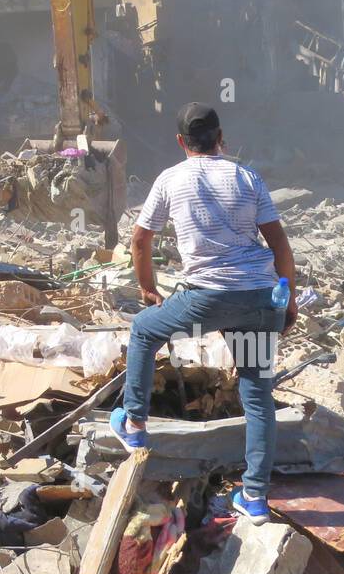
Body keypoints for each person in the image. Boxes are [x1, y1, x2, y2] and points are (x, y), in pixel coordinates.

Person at [111, 103, 296, 526]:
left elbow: (141, 240)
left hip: (208, 299)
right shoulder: (246, 176)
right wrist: (290, 301)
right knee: (257, 396)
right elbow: (280, 246)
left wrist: (148, 289)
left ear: (181, 142)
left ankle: (135, 422)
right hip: (259, 299)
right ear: (220, 138)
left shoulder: (170, 179)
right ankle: (254, 499)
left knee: (143, 330)